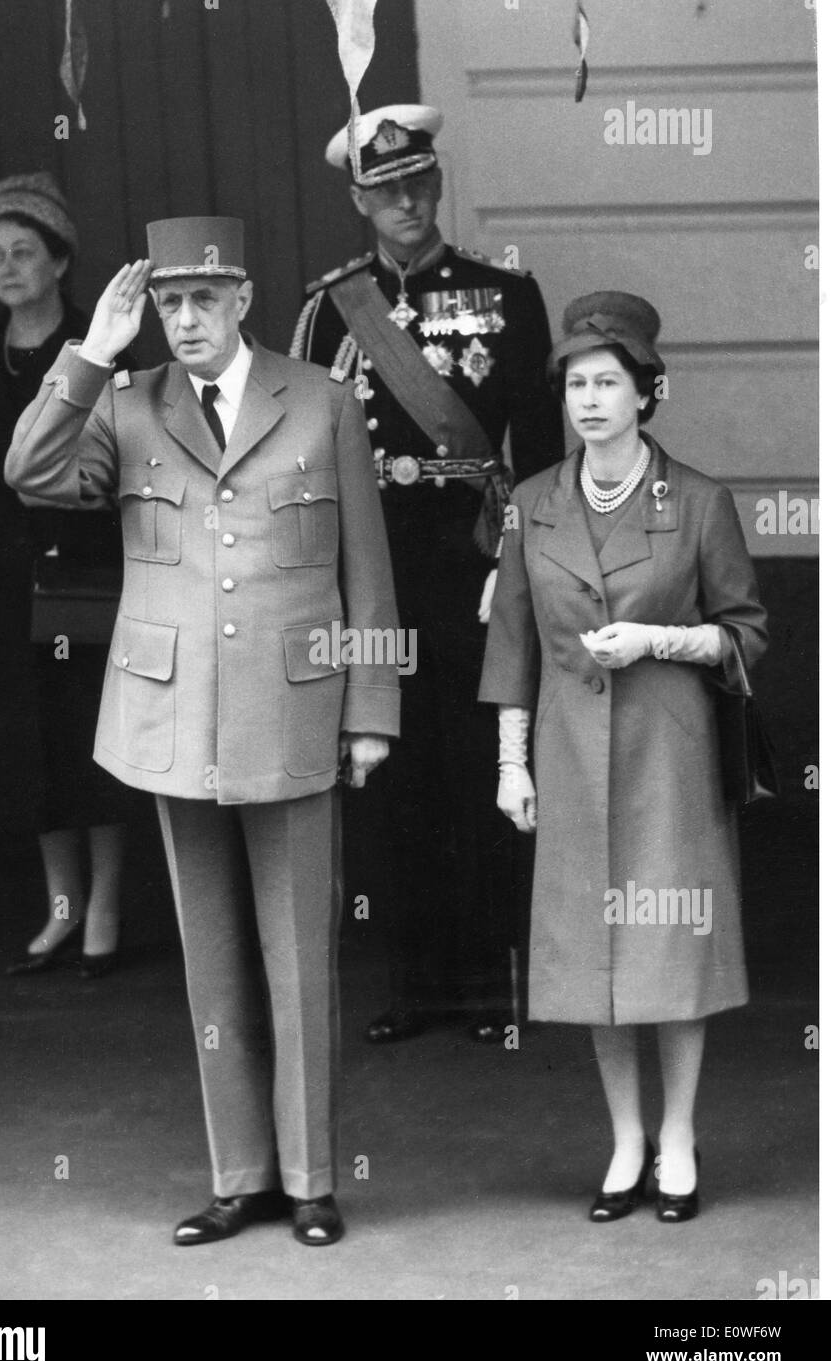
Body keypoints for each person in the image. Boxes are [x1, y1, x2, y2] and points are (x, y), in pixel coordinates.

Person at [5, 217, 400, 1247]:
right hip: (176, 720)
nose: (183, 319)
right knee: (212, 961)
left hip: (298, 709)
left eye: (201, 300)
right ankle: (242, 1177)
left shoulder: (319, 402)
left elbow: (368, 567)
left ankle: (312, 1179)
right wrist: (94, 348)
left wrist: (371, 710)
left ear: (243, 300)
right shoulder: (127, 405)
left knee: (301, 960)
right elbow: (29, 472)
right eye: (167, 303)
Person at [479, 291, 768, 1222]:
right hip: (566, 755)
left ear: (646, 394)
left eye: (608, 383)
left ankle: (677, 1138)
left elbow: (745, 633)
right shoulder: (531, 504)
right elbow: (512, 647)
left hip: (667, 758)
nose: (589, 400)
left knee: (669, 952)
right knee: (591, 958)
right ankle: (623, 1142)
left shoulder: (696, 503)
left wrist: (659, 640)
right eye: (575, 384)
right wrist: (509, 764)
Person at [292, 104, 565, 1044]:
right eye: (384, 190)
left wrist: (523, 565)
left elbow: (537, 452)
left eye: (417, 183)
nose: (404, 202)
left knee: (483, 763)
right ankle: (417, 984)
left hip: (475, 560)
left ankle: (493, 985)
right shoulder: (330, 307)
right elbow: (304, 461)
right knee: (392, 769)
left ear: (438, 184)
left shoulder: (505, 297)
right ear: (359, 201)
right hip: (373, 570)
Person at [0, 172, 132, 980]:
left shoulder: (101, 351)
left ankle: (106, 905)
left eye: (24, 252)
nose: (8, 268)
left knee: (86, 744)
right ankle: (61, 907)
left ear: (59, 259)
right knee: (28, 753)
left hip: (87, 582)